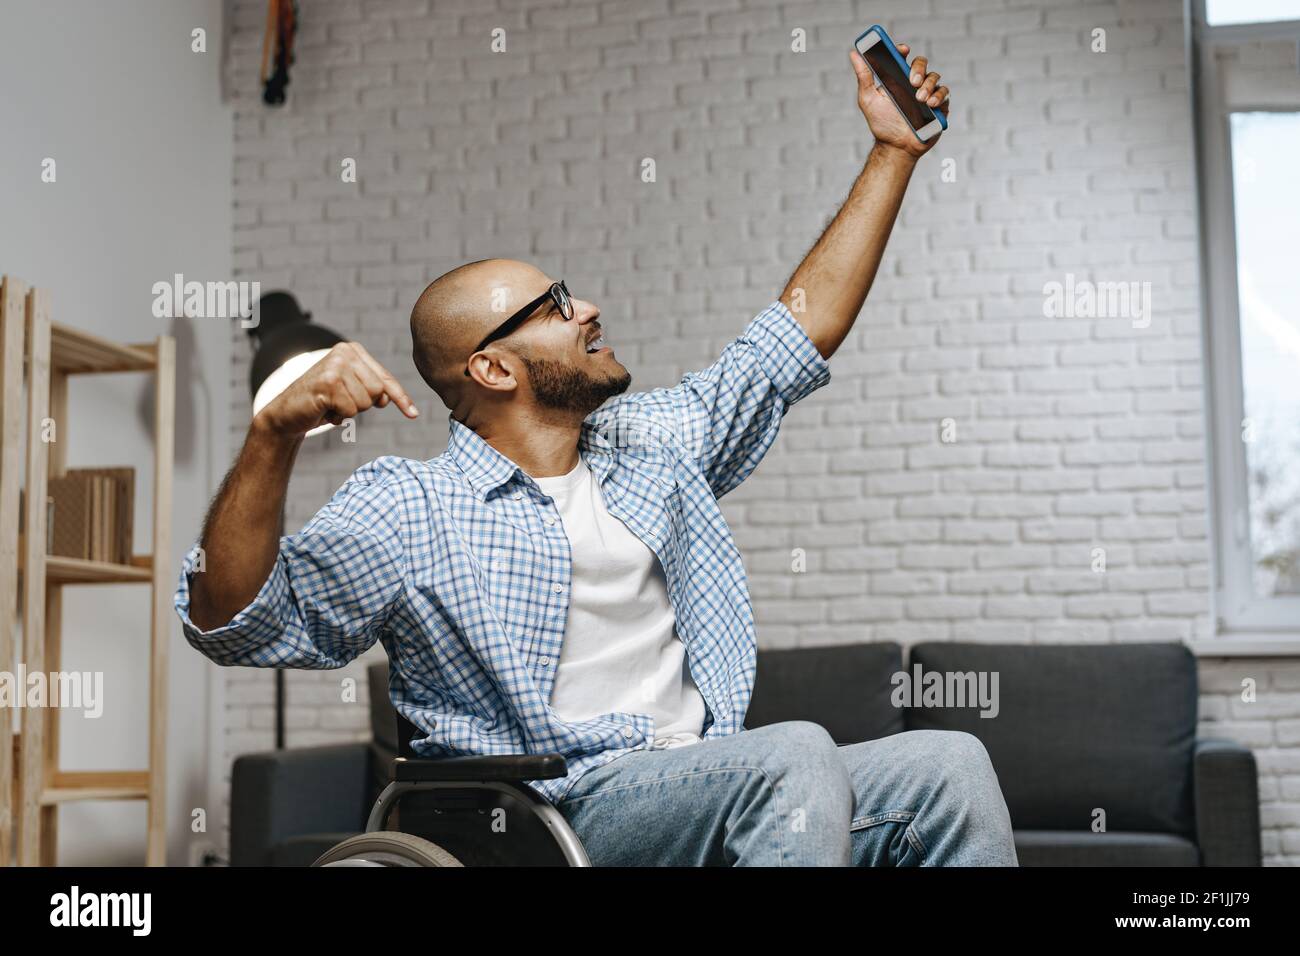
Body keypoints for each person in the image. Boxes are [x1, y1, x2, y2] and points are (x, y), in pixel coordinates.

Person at [177, 43, 1018, 866]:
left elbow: (795, 335)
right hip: (549, 810)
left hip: (696, 782)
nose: (587, 307)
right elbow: (231, 620)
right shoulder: (412, 505)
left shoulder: (647, 448)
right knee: (791, 754)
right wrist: (270, 437)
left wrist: (891, 153)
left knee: (947, 767)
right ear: (493, 367)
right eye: (553, 303)